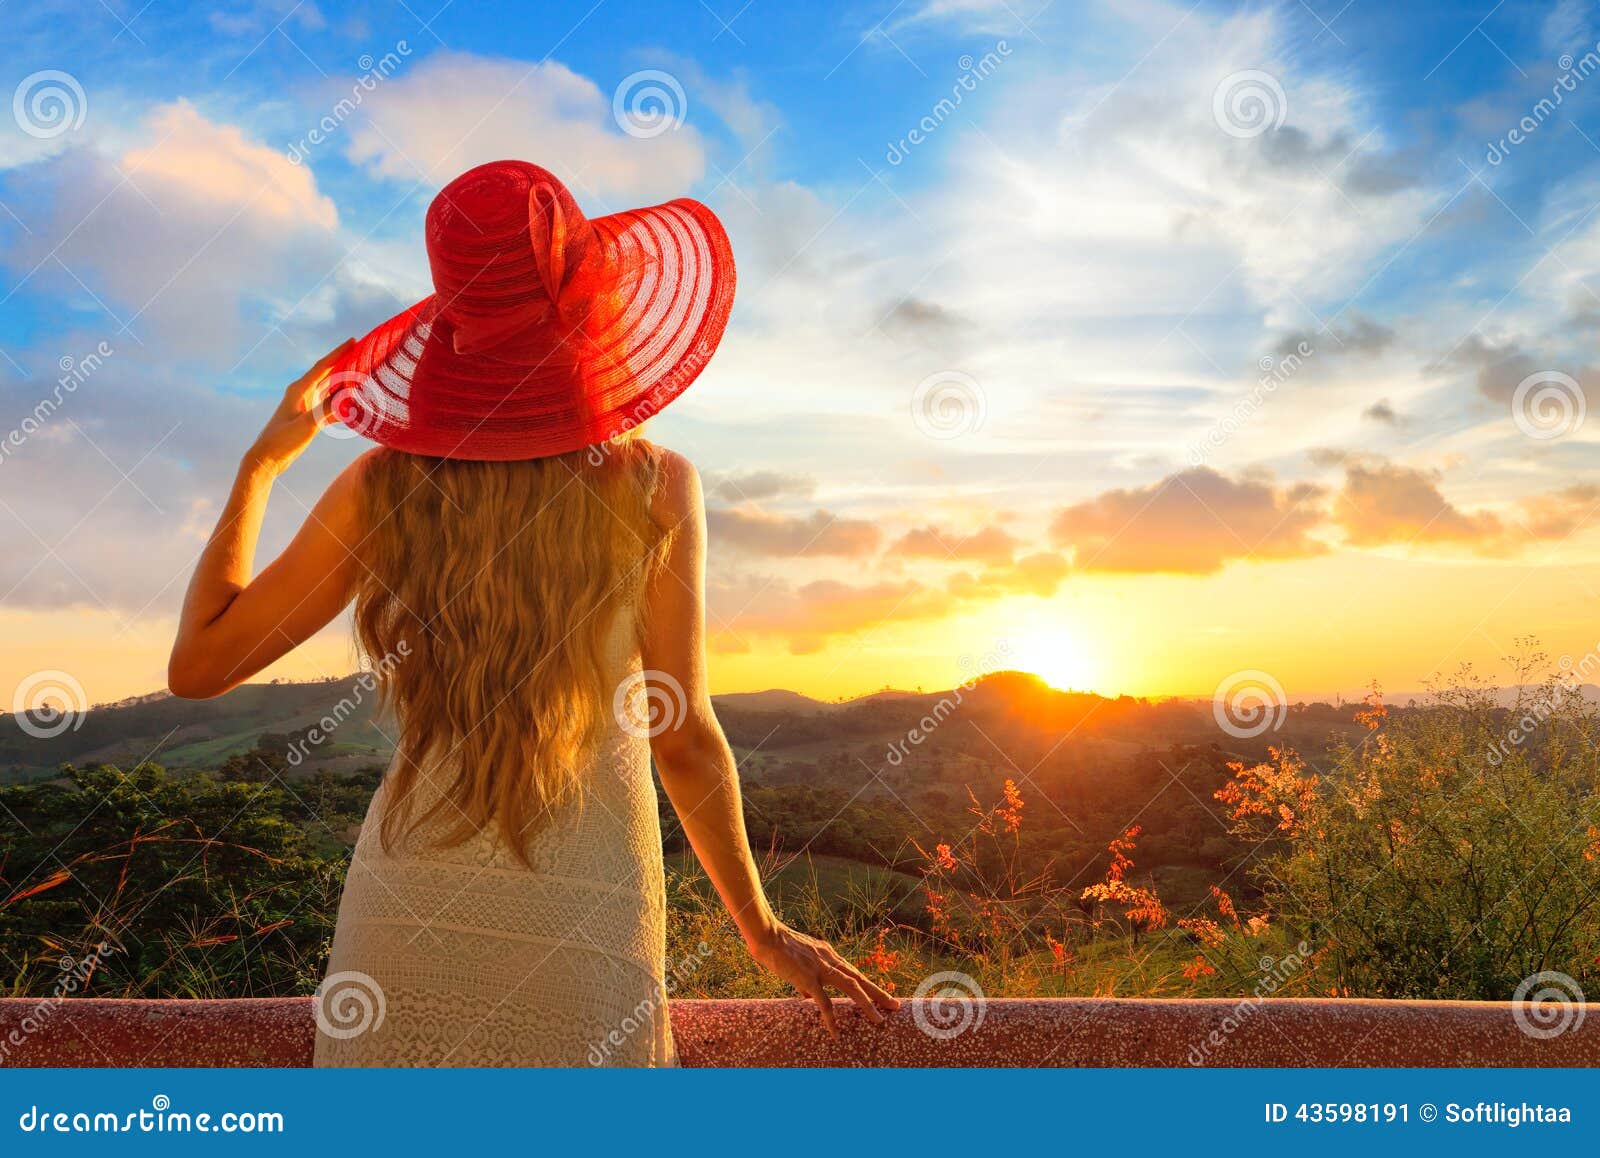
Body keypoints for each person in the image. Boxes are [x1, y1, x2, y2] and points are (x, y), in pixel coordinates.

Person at [168, 160, 898, 1066]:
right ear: (590, 309)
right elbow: (681, 736)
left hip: (399, 928)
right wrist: (761, 928)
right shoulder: (654, 485)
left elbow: (197, 669)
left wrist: (260, 466)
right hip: (590, 921)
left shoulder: (385, 488)